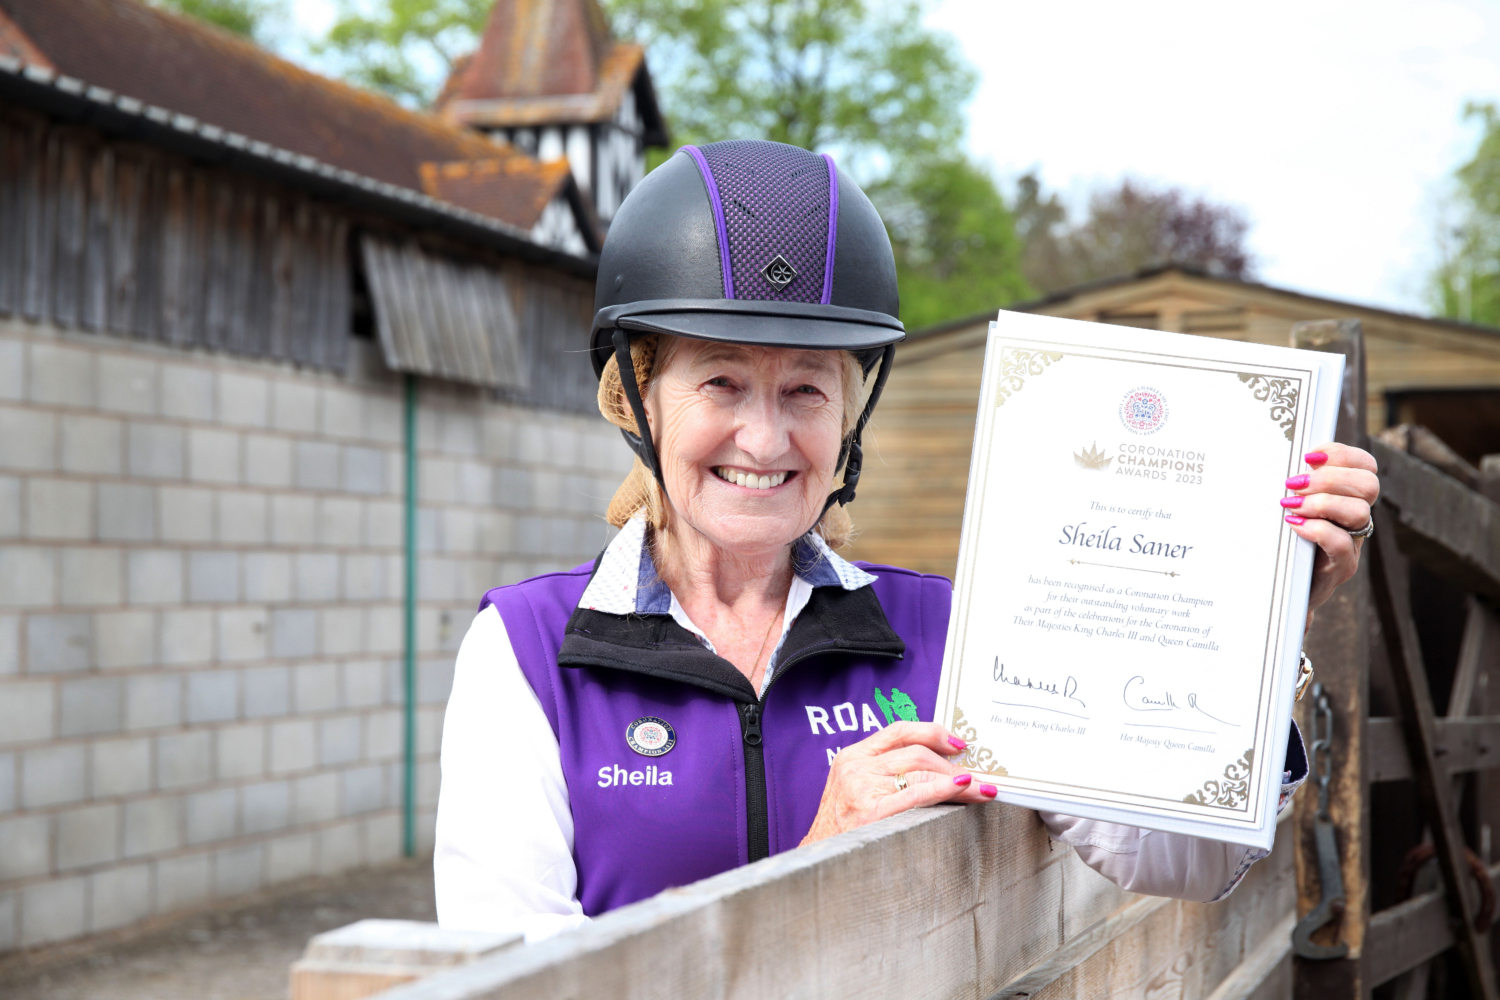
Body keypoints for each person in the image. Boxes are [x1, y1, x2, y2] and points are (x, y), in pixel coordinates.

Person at [433, 140, 1380, 943]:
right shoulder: (525, 653)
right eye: (720, 383)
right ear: (639, 396)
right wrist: (812, 867)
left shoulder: (950, 630)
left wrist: (1256, 629)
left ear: (849, 411)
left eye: (807, 388)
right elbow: (502, 977)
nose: (765, 439)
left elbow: (1186, 860)